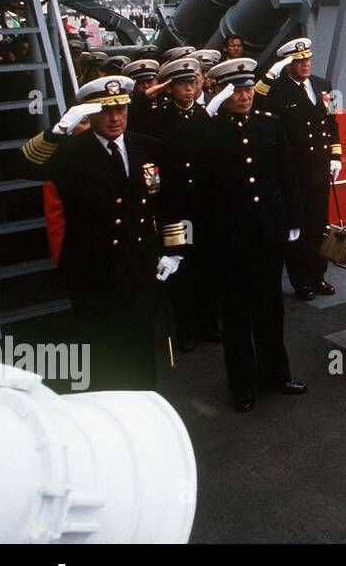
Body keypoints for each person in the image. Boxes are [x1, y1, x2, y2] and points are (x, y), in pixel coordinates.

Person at [18, 75, 186, 391]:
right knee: (102, 351)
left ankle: (142, 406)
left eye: (121, 109)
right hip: (92, 270)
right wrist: (59, 130)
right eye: (106, 111)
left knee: (140, 349)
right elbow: (26, 166)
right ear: (91, 113)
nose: (115, 118)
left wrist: (175, 251)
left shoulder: (148, 147)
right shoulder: (70, 152)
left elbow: (171, 203)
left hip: (139, 266)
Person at [196, 58, 306, 412]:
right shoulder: (209, 130)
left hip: (267, 232)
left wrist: (293, 218)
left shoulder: (268, 124)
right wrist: (208, 111)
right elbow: (191, 153)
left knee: (270, 308)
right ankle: (242, 386)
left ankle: (275, 375)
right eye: (236, 91)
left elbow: (286, 173)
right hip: (229, 238)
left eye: (247, 90)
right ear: (220, 92)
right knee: (236, 314)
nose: (244, 97)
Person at [254, 38, 341, 302]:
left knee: (319, 225)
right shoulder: (277, 89)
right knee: (297, 227)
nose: (305, 64)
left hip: (320, 167)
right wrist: (271, 74)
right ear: (288, 64)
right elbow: (255, 100)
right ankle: (301, 280)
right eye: (299, 61)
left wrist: (336, 155)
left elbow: (332, 121)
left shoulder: (323, 85)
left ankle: (318, 275)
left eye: (307, 59)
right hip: (294, 170)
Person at [150, 56, 219, 350]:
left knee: (207, 265)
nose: (189, 89)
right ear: (170, 88)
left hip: (203, 206)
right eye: (181, 85)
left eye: (191, 83)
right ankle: (186, 330)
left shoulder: (205, 116)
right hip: (176, 208)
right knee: (181, 269)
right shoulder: (160, 119)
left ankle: (208, 324)